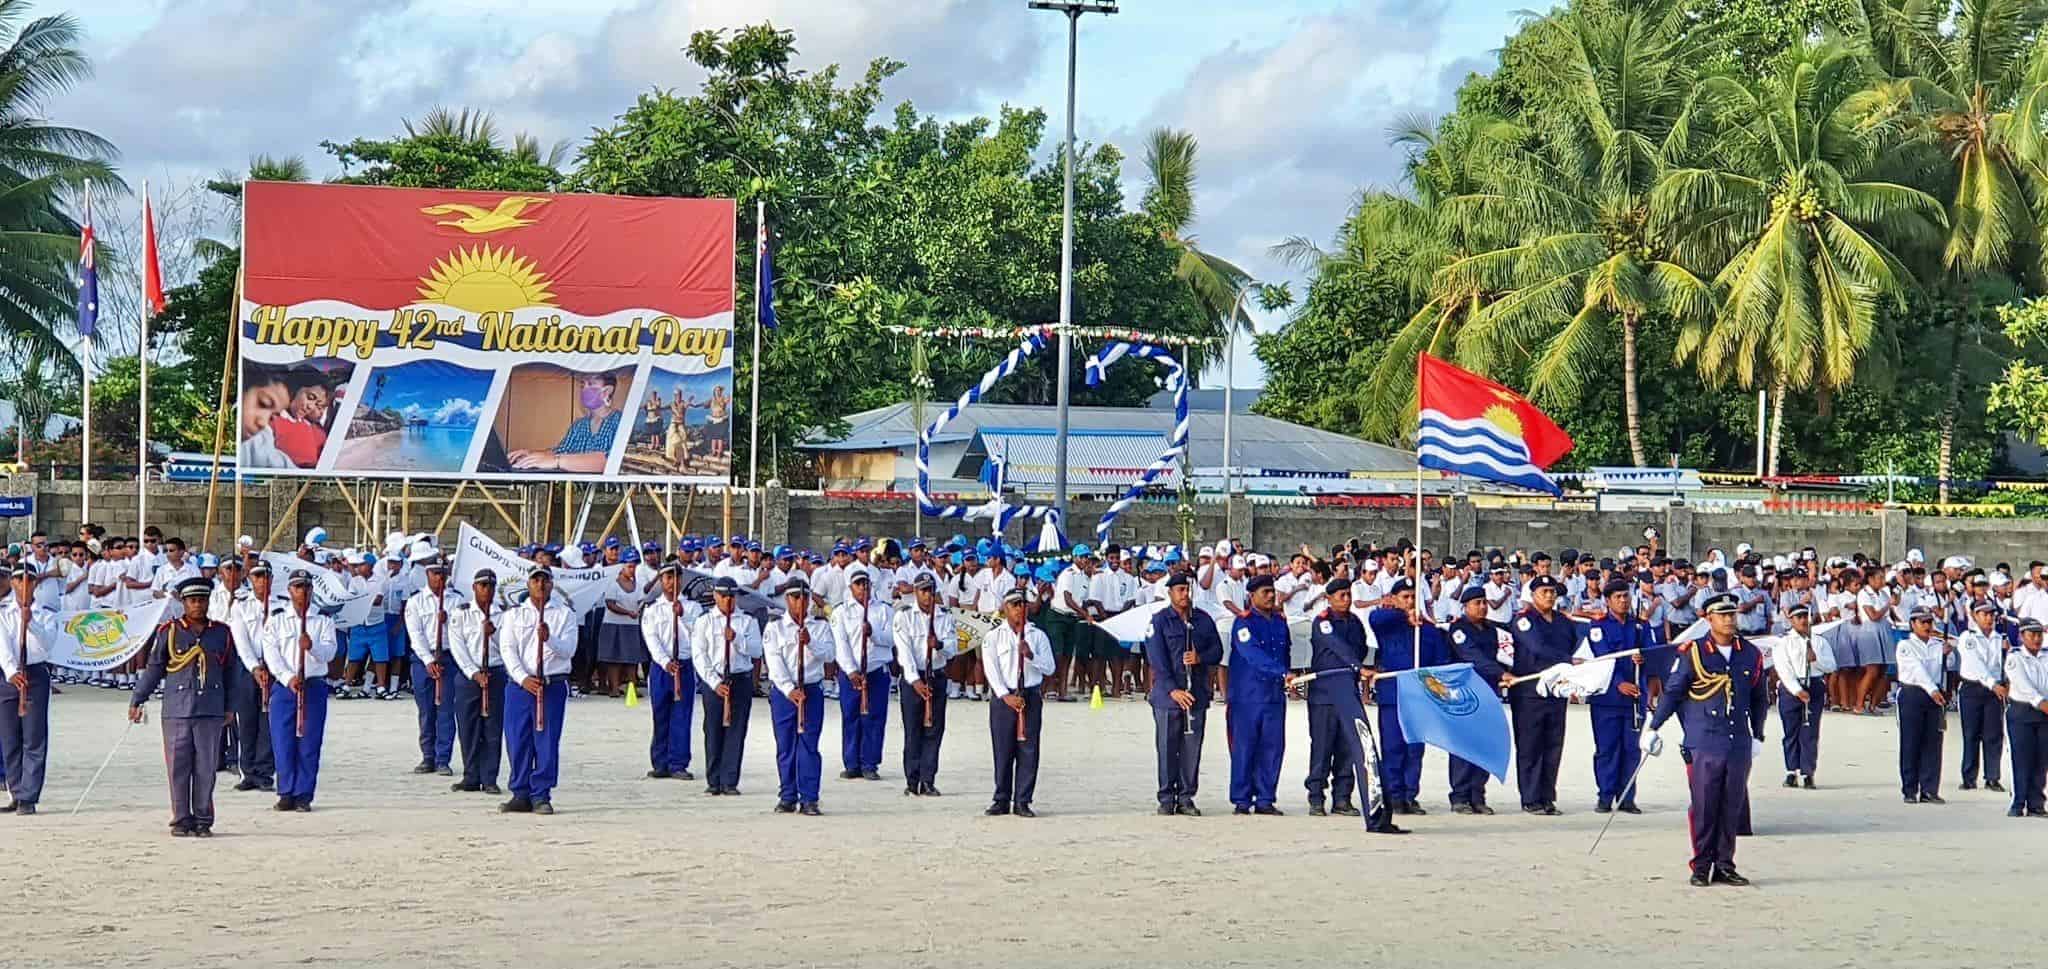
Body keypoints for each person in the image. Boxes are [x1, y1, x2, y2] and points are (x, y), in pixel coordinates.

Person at [1646, 592, 1768, 887]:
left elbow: (1758, 698)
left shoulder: (1750, 653)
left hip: (1737, 740)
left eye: (1732, 614)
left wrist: (1758, 733)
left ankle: (1725, 864)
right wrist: (1653, 726)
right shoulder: (1694, 652)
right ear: (1708, 619)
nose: (1728, 620)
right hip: (1704, 740)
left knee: (1731, 805)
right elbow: (1674, 692)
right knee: (1704, 805)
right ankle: (1701, 865)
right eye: (1722, 615)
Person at [128, 577, 232, 835]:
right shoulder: (169, 631)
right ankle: (181, 819)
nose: (197, 605)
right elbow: (155, 668)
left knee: (206, 768)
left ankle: (203, 820)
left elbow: (231, 673)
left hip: (210, 708)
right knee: (178, 767)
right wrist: (138, 698)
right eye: (192, 600)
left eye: (202, 600)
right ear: (183, 603)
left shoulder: (221, 633)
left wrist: (230, 707)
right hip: (177, 709)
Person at [1367, 577, 1448, 816]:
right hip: (1393, 695)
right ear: (1394, 599)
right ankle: (1393, 795)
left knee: (1414, 749)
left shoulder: (1428, 630)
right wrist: (1403, 615)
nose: (1410, 601)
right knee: (1393, 747)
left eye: (1413, 597)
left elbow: (1440, 661)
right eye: (1405, 597)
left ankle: (1409, 795)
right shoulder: (1388, 624)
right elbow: (1375, 618)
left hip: (1419, 697)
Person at [1144, 572, 1224, 817]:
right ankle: (1166, 797)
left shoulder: (1203, 620)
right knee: (1167, 747)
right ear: (1170, 593)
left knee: (1191, 749)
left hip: (1196, 693)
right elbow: (1157, 660)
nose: (1185, 594)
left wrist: (1200, 657)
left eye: (1187, 589)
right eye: (1180, 590)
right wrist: (1173, 690)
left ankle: (1187, 797)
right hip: (1168, 697)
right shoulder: (1159, 621)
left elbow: (1218, 651)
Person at [498, 568, 575, 815]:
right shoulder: (514, 615)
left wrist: (549, 639)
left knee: (546, 741)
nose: (540, 584)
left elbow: (568, 650)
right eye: (535, 580)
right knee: (517, 739)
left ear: (551, 584)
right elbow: (508, 649)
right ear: (528, 584)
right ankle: (520, 793)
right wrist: (523, 678)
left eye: (545, 580)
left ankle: (541, 794)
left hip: (551, 684)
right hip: (521, 685)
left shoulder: (565, 614)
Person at [260, 571, 339, 812]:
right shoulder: (277, 619)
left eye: (306, 587)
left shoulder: (323, 619)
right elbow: (271, 653)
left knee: (309, 742)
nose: (302, 592)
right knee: (282, 741)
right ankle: (285, 791)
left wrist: (312, 647)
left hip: (313, 684)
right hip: (285, 686)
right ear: (289, 590)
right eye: (297, 587)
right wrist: (288, 677)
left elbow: (330, 653)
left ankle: (304, 794)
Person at [1576, 580, 1652, 815]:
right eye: (1618, 597)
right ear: (1608, 601)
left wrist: (1644, 659)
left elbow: (1653, 654)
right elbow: (1603, 658)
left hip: (1634, 698)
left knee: (1631, 749)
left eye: (1626, 596)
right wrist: (1619, 683)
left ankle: (1627, 797)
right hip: (1607, 699)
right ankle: (1605, 796)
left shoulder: (1640, 626)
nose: (1623, 600)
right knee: (1607, 749)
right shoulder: (1598, 627)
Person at [1301, 577, 1371, 821]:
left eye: (1348, 594)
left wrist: (1357, 666)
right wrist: (1357, 666)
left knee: (1347, 748)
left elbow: (1361, 647)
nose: (1346, 599)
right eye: (1341, 595)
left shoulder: (1354, 622)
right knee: (1322, 747)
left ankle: (1342, 797)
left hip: (1348, 693)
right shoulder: (1322, 622)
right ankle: (1316, 797)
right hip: (1325, 695)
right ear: (1328, 598)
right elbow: (1337, 646)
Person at [982, 587, 1055, 817]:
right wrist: (1005, 696)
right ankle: (1001, 798)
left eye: (1023, 604)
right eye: (1014, 605)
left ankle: (1023, 800)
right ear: (1005, 608)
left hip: (1030, 695)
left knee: (1028, 750)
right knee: (1003, 749)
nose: (1019, 609)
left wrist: (1031, 655)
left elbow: (1050, 668)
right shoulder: (994, 636)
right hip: (1004, 697)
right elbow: (991, 669)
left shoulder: (1038, 635)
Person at [764, 577, 834, 814]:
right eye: (795, 597)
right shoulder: (775, 627)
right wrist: (788, 689)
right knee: (785, 745)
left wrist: (811, 643)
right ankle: (787, 795)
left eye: (805, 597)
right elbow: (774, 661)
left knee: (809, 745)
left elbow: (830, 655)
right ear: (787, 599)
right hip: (785, 692)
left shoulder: (820, 626)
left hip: (811, 690)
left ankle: (809, 798)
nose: (800, 602)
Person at [1508, 575, 1575, 815]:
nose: (1549, 595)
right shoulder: (1524, 620)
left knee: (1553, 745)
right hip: (1530, 692)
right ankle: (1531, 798)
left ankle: (1547, 797)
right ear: (1533, 595)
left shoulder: (1563, 621)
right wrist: (1569, 660)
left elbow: (1574, 643)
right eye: (1544, 591)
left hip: (1556, 690)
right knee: (1530, 746)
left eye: (1552, 592)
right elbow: (1537, 647)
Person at [1228, 574, 1292, 816]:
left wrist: (1286, 676)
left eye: (1272, 591)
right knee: (1244, 747)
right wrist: (1281, 672)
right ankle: (1242, 799)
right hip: (1247, 695)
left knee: (1273, 747)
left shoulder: (1280, 622)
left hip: (1274, 695)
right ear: (1251, 595)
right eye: (1265, 592)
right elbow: (1251, 653)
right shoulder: (1243, 623)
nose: (1270, 596)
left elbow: (1285, 654)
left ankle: (1265, 798)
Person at [692, 576, 761, 796]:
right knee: (713, 730)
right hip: (715, 679)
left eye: (731, 596)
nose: (728, 600)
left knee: (736, 730)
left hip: (740, 679)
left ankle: (730, 780)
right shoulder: (705, 621)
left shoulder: (747, 621)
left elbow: (757, 650)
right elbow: (699, 655)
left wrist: (737, 639)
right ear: (715, 596)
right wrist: (714, 682)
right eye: (723, 596)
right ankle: (713, 780)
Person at [1446, 585, 1509, 813]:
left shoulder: (1491, 630)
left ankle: (1477, 795)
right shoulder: (1458, 629)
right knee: (1464, 745)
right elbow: (1473, 657)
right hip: (1465, 694)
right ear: (1465, 606)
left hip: (1488, 693)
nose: (1482, 607)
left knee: (1483, 745)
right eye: (1477, 603)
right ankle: (1460, 797)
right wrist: (1501, 673)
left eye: (1484, 602)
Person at [892, 573, 955, 797]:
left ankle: (928, 779)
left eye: (930, 590)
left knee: (934, 731)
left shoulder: (944, 615)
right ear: (916, 592)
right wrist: (915, 680)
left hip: (936, 676)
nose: (927, 595)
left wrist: (939, 644)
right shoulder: (904, 616)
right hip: (914, 678)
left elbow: (953, 648)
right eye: (923, 590)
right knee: (913, 731)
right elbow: (904, 651)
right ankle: (912, 780)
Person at [0, 564, 55, 814]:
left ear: (35, 584)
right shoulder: (3, 612)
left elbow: (47, 644)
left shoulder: (45, 613)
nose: (24, 585)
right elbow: (2, 645)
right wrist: (11, 671)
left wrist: (30, 623)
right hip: (9, 675)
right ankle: (16, 791)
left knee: (33, 737)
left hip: (35, 672)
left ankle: (29, 796)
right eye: (19, 580)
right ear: (12, 583)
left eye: (29, 581)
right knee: (10, 737)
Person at [640, 562, 700, 781]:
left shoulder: (693, 608)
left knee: (682, 716)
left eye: (676, 578)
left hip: (684, 665)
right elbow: (651, 639)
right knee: (660, 714)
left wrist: (682, 617)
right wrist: (665, 662)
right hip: (661, 668)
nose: (673, 582)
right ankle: (660, 762)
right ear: (661, 581)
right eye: (668, 578)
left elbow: (697, 636)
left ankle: (678, 763)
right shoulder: (652, 609)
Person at [402, 557, 462, 777]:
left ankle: (443, 758)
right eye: (435, 573)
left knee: (446, 710)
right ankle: (428, 757)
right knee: (426, 710)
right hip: (423, 659)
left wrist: (448, 622)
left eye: (443, 573)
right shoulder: (416, 601)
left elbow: (461, 632)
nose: (439, 578)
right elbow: (415, 635)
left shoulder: (456, 600)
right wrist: (428, 660)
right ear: (427, 574)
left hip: (448, 657)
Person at [832, 571, 894, 780]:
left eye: (865, 584)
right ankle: (851, 763)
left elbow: (892, 638)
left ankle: (870, 763)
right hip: (851, 673)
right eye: (858, 584)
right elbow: (840, 644)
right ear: (851, 587)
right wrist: (850, 670)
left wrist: (874, 633)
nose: (862, 588)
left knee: (874, 718)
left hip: (876, 670)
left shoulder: (884, 610)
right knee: (851, 716)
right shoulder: (841, 611)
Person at [448, 570, 505, 795]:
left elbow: (509, 646)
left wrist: (494, 634)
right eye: (483, 586)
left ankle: (490, 778)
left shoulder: (504, 614)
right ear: (474, 588)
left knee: (492, 728)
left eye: (491, 586)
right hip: (469, 675)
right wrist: (473, 673)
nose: (487, 590)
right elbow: (457, 647)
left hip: (495, 672)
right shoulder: (461, 613)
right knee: (468, 727)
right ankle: (471, 775)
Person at [223, 561, 277, 792]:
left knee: (268, 722)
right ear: (251, 579)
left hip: (274, 668)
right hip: (247, 668)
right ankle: (248, 771)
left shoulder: (281, 605)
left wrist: (270, 665)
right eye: (257, 576)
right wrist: (255, 667)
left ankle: (264, 772)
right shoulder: (241, 605)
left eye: (266, 576)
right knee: (245, 721)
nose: (262, 581)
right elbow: (241, 640)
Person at [1770, 602, 1834, 789]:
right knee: (1790, 731)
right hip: (1792, 687)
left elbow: (1831, 666)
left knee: (1810, 731)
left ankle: (1808, 773)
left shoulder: (1819, 641)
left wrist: (1816, 660)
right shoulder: (1784, 642)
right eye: (1799, 617)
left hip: (1813, 683)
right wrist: (1796, 689)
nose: (1803, 621)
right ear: (1791, 620)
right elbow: (1783, 668)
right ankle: (1791, 771)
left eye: (1805, 616)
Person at [509, 372, 624, 472]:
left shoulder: (621, 422)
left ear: (607, 391)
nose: (584, 389)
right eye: (583, 385)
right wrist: (531, 455)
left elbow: (610, 461)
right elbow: (561, 451)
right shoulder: (579, 425)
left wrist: (557, 461)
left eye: (591, 384)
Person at [1895, 606, 1949, 804]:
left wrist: (1948, 653)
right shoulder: (1905, 645)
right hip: (1913, 693)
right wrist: (1932, 690)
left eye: (1929, 622)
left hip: (1935, 695)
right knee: (1911, 742)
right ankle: (1910, 789)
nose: (1927, 625)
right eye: (1922, 622)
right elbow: (1917, 670)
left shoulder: (1937, 644)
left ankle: (1929, 789)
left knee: (1933, 743)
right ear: (1913, 624)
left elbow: (1948, 667)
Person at [1956, 600, 2009, 792]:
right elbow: (1975, 665)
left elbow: (2003, 664)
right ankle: (1969, 776)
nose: (1988, 618)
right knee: (1971, 734)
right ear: (1974, 616)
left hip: (1995, 690)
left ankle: (1992, 777)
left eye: (1991, 614)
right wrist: (1993, 684)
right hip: (1973, 687)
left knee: (1994, 734)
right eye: (1984, 614)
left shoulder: (1999, 638)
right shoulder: (1968, 637)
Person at [2003, 619, 2048, 817]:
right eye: (2032, 635)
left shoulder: (2046, 657)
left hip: (2044, 713)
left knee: (2041, 759)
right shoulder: (2015, 658)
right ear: (2022, 636)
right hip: (2023, 712)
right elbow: (2023, 685)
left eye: (2039, 634)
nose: (2037, 639)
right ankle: (2018, 802)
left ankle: (2036, 803)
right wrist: (2041, 702)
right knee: (2021, 759)